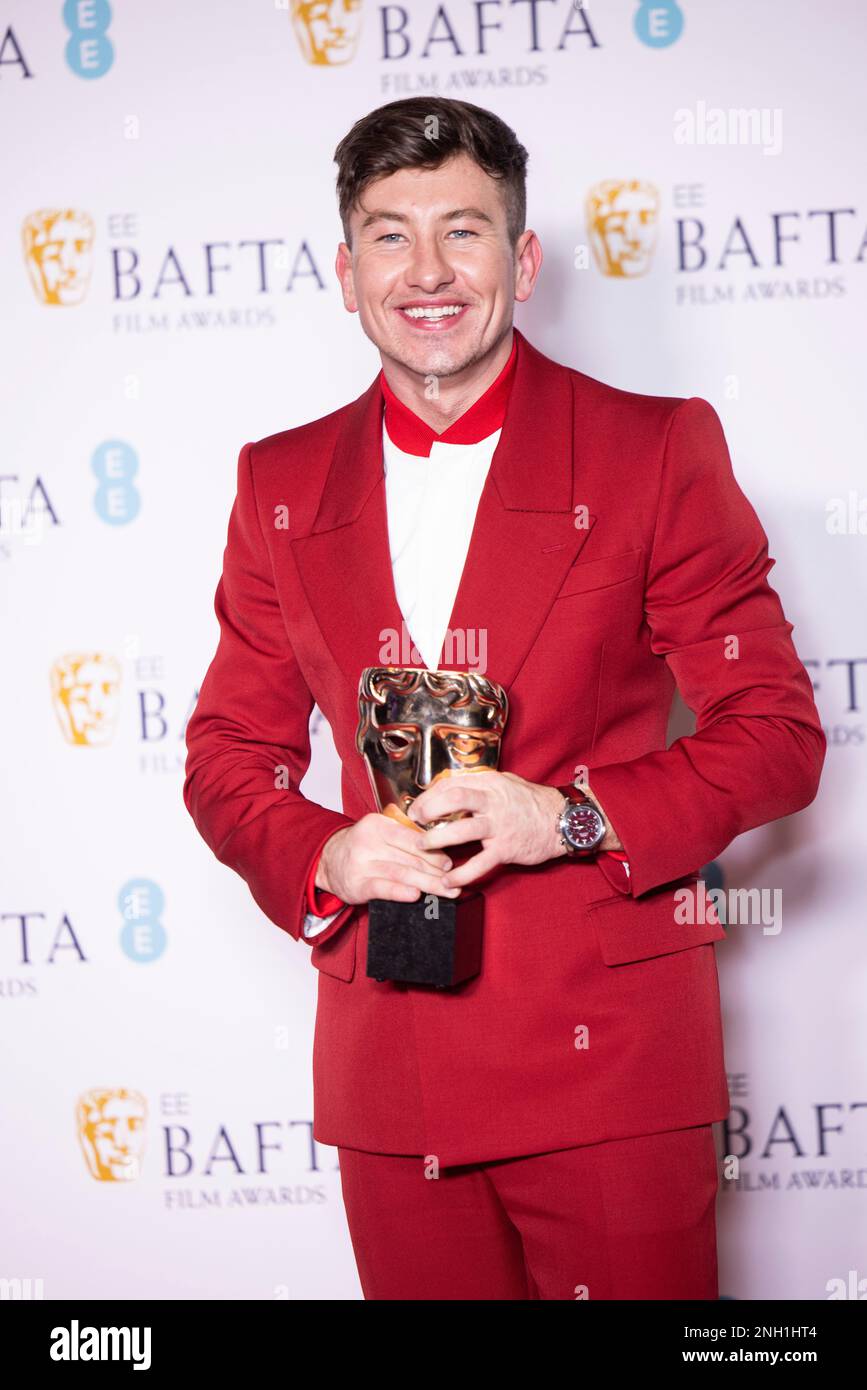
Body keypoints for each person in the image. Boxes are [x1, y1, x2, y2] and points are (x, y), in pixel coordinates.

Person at [183, 97, 825, 1300]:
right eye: (388, 236)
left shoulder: (654, 449)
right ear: (344, 271)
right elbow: (228, 751)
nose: (426, 272)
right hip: (389, 1066)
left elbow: (777, 739)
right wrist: (324, 850)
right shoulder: (273, 480)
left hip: (611, 1072)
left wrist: (568, 814)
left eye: (463, 232)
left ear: (523, 262)